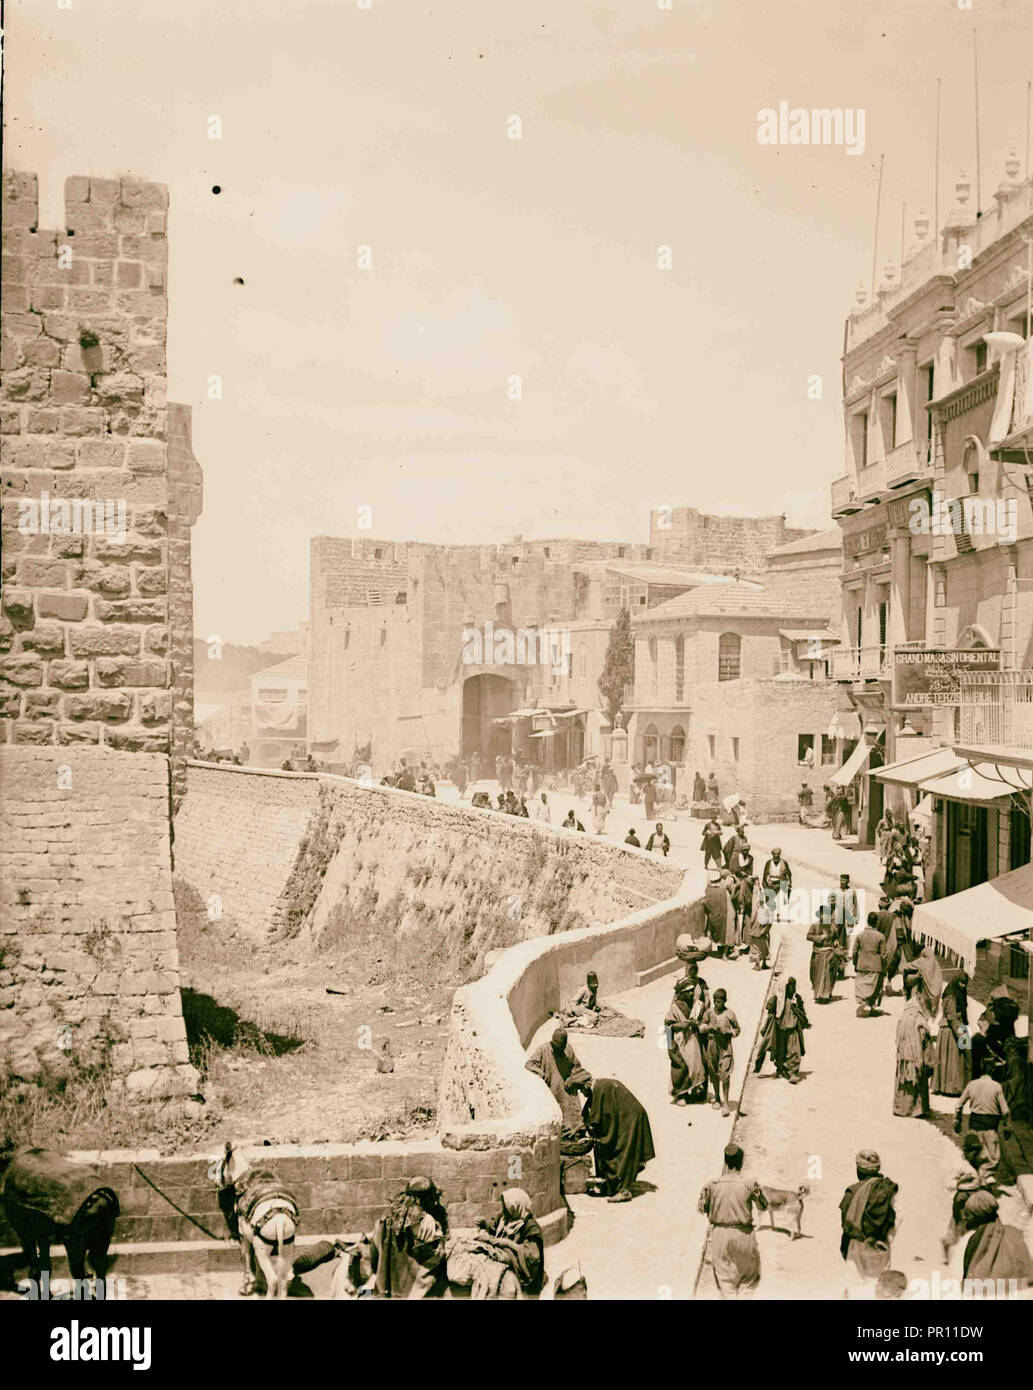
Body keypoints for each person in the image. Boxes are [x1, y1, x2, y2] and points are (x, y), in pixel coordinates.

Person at [698, 1144, 768, 1298]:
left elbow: (701, 1208)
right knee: (748, 1283)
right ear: (741, 1162)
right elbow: (763, 1205)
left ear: (725, 1162)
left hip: (720, 1237)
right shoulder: (750, 1183)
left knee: (725, 1286)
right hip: (743, 1235)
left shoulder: (711, 1185)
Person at [574, 1076, 655, 1203]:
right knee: (608, 1146)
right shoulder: (598, 1086)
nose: (582, 1094)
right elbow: (591, 1111)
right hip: (627, 1117)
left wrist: (591, 1134)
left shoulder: (599, 1089)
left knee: (621, 1152)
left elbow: (597, 1119)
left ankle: (623, 1191)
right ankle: (611, 1186)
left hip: (631, 1119)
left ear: (585, 1085)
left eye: (580, 1090)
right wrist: (581, 1126)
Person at [367, 1177, 448, 1298]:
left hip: (389, 1279)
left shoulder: (388, 1218)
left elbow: (374, 1250)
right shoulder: (428, 1221)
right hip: (414, 1284)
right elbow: (434, 1256)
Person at [839, 1150, 898, 1295]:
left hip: (857, 1246)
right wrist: (888, 1238)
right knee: (877, 1289)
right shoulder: (889, 1188)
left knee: (855, 1288)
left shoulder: (852, 1191)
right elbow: (898, 1216)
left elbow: (846, 1224)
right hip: (881, 1246)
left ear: (859, 1170)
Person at [468, 1189, 545, 1299]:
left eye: (506, 1206)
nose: (503, 1208)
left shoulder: (530, 1227)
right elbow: (495, 1231)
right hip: (506, 1261)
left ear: (515, 1206)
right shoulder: (505, 1217)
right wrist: (484, 1225)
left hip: (524, 1274)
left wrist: (508, 1243)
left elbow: (532, 1258)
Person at [940, 1134, 995, 1266]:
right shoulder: (960, 1165)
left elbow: (982, 1177)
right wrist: (960, 1182)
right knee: (962, 1227)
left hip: (976, 1198)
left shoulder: (978, 1163)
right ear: (966, 1151)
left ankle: (953, 1246)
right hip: (963, 1200)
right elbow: (948, 1184)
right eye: (973, 1152)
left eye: (977, 1152)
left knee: (963, 1228)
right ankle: (957, 1253)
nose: (975, 1155)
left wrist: (987, 1180)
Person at [961, 1190, 1033, 1286]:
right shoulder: (1015, 1232)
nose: (965, 1218)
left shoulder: (974, 1240)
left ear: (978, 1216)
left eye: (968, 1214)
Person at [525, 1028, 591, 1132]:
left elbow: (576, 1065)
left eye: (562, 1047)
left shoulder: (568, 1049)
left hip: (566, 1089)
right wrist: (540, 1072)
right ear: (552, 1043)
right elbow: (529, 1064)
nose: (560, 1050)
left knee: (573, 1121)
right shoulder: (543, 1049)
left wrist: (572, 1078)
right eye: (557, 1047)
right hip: (552, 1089)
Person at [955, 1071, 1011, 1183]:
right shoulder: (996, 1086)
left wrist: (957, 1121)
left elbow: (958, 1105)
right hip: (991, 1128)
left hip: (974, 1127)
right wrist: (1007, 1127)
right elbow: (1005, 1111)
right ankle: (985, 1175)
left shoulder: (971, 1084)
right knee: (993, 1158)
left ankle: (976, 1178)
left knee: (973, 1154)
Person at [665, 976, 709, 1106]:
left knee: (698, 1065)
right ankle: (681, 1094)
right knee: (682, 1066)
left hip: (695, 1040)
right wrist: (680, 1025)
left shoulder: (698, 1005)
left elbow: (704, 1021)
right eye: (687, 992)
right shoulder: (675, 1007)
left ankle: (696, 1091)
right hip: (681, 1042)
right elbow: (667, 1026)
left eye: (692, 991)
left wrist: (699, 1025)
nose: (691, 994)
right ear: (682, 993)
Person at [893, 977, 932, 1117]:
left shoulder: (906, 1010)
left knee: (905, 1073)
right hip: (913, 1049)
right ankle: (916, 1109)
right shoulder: (916, 1012)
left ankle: (901, 1107)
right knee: (914, 1072)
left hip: (904, 1049)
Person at [701, 988, 740, 1116]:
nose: (716, 1004)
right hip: (712, 1044)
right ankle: (717, 1098)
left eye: (719, 1002)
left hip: (725, 1045)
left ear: (724, 1001)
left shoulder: (730, 1014)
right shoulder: (709, 1013)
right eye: (715, 1001)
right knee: (714, 1073)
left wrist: (729, 1032)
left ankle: (726, 1103)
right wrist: (710, 1027)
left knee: (725, 1074)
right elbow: (701, 1027)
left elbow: (738, 1029)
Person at [934, 972, 972, 1097]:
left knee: (962, 1058)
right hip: (951, 1030)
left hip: (961, 1026)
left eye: (965, 984)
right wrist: (961, 1034)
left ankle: (960, 1086)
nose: (963, 986)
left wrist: (966, 1030)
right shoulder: (950, 995)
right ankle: (950, 1088)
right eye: (961, 983)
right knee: (952, 1060)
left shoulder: (960, 993)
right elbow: (951, 1017)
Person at [771, 976, 809, 1083]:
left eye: (794, 985)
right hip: (781, 1029)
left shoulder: (796, 999)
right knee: (780, 1051)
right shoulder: (777, 1000)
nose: (793, 988)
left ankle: (793, 1072)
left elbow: (802, 1012)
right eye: (790, 986)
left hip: (793, 1029)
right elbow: (771, 1010)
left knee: (794, 1051)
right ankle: (781, 1069)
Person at [852, 912, 887, 1018]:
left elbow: (854, 951)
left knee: (862, 986)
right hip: (876, 966)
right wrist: (884, 968)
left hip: (862, 965)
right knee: (875, 988)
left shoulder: (860, 935)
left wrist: (855, 963)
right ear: (876, 922)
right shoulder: (880, 936)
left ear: (867, 921)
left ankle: (863, 1002)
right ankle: (871, 1008)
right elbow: (884, 955)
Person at [807, 904, 840, 1005]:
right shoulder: (815, 926)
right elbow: (808, 936)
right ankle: (818, 995)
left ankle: (825, 995)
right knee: (816, 975)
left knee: (828, 975)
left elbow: (836, 937)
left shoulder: (832, 927)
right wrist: (820, 937)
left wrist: (836, 942)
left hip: (829, 954)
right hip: (818, 954)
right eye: (822, 915)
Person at [902, 942, 943, 1019]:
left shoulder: (922, 961)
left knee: (921, 1012)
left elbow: (906, 967)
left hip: (925, 995)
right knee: (932, 1015)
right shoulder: (936, 965)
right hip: (935, 996)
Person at [741, 876, 770, 970]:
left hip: (756, 931)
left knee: (756, 948)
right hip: (764, 932)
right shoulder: (766, 908)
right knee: (764, 948)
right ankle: (764, 963)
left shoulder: (756, 908)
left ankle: (757, 965)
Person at [704, 870, 732, 958]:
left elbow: (706, 904)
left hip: (713, 916)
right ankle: (724, 955)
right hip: (724, 916)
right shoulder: (724, 890)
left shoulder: (708, 890)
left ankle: (707, 951)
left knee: (709, 930)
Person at [761, 848, 792, 921]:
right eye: (775, 856)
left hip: (781, 881)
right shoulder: (768, 863)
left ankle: (780, 914)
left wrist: (789, 883)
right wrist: (767, 881)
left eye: (777, 856)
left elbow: (788, 874)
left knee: (782, 898)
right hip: (771, 882)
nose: (776, 858)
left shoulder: (784, 863)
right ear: (772, 856)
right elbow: (765, 874)